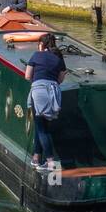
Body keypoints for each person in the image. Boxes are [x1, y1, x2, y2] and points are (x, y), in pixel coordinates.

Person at [25, 33, 67, 169]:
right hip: (54, 92)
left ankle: (50, 162)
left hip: (39, 91)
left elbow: (27, 76)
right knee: (42, 125)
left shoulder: (37, 55)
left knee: (42, 129)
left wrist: (38, 81)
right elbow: (60, 79)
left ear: (41, 44)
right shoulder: (59, 59)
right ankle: (36, 158)